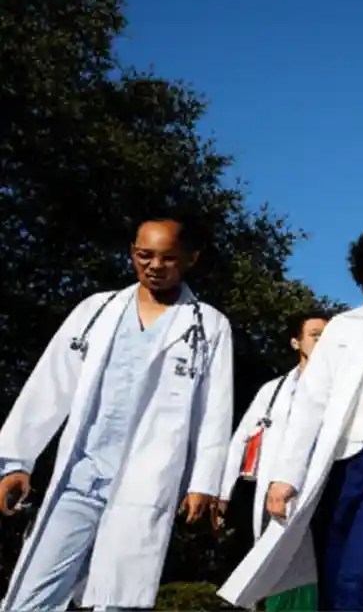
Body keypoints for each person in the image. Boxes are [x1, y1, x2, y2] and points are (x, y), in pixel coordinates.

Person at [218, 223, 363, 611]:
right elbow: (310, 404)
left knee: (359, 584)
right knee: (333, 587)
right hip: (343, 468)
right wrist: (286, 476)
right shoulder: (346, 329)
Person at [0, 217, 234, 611]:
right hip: (80, 477)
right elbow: (48, 385)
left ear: (191, 259)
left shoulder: (208, 325)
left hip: (146, 480)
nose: (154, 266)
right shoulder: (96, 310)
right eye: (144, 255)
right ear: (131, 253)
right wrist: (15, 461)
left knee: (119, 598)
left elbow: (215, 407)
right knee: (32, 593)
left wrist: (204, 481)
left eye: (168, 258)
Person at [216, 311, 331, 612]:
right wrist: (223, 493)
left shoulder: (342, 387)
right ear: (296, 342)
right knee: (276, 575)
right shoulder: (274, 391)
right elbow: (242, 439)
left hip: (325, 497)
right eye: (316, 335)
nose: (324, 342)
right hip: (275, 498)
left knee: (317, 575)